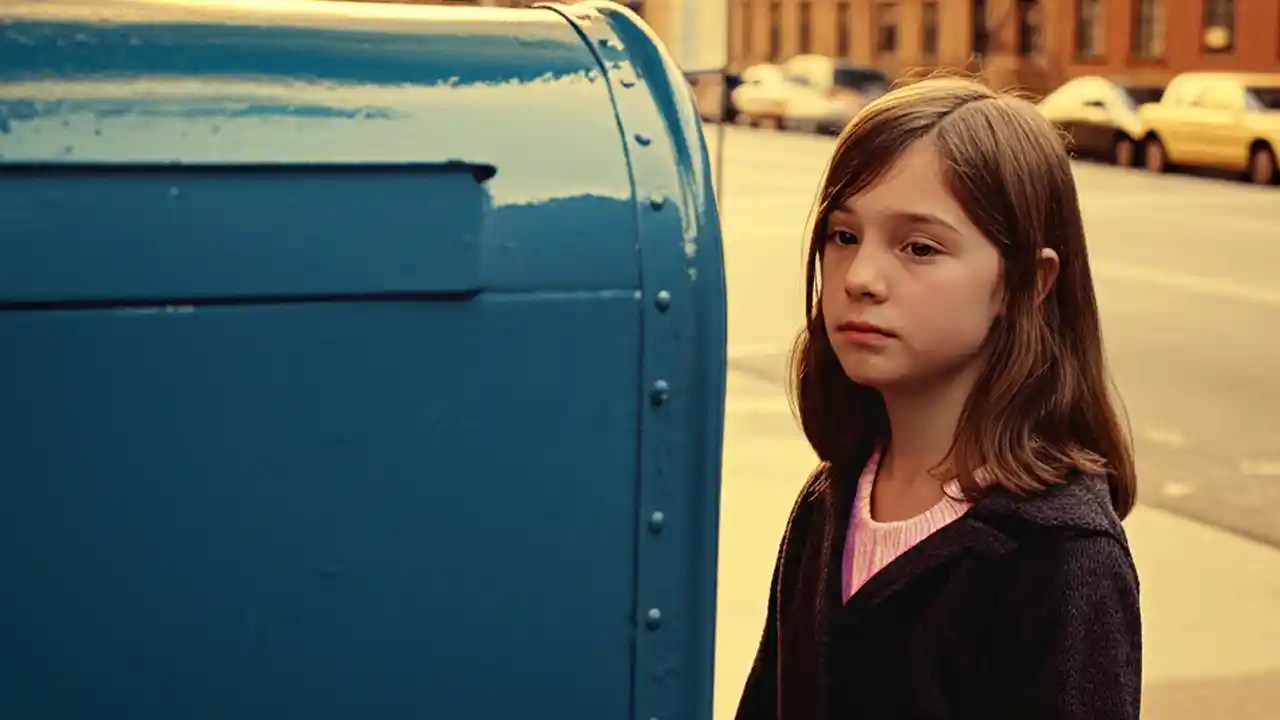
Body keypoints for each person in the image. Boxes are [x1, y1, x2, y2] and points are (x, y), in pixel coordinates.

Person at [733, 77, 1142, 719]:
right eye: (843, 236)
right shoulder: (831, 500)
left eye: (919, 247)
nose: (861, 278)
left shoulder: (1059, 555)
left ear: (1026, 283)